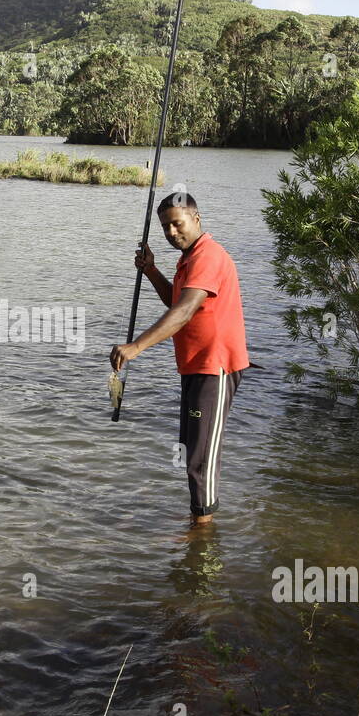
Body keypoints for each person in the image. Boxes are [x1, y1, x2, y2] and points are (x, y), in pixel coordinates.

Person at [110, 193, 249, 524]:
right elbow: (178, 301)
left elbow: (185, 311)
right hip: (195, 365)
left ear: (196, 219)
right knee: (190, 449)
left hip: (215, 366)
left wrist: (136, 347)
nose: (172, 232)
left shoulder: (208, 257)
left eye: (177, 223)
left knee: (200, 457)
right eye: (165, 226)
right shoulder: (190, 258)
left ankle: (202, 537)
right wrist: (151, 270)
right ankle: (197, 523)